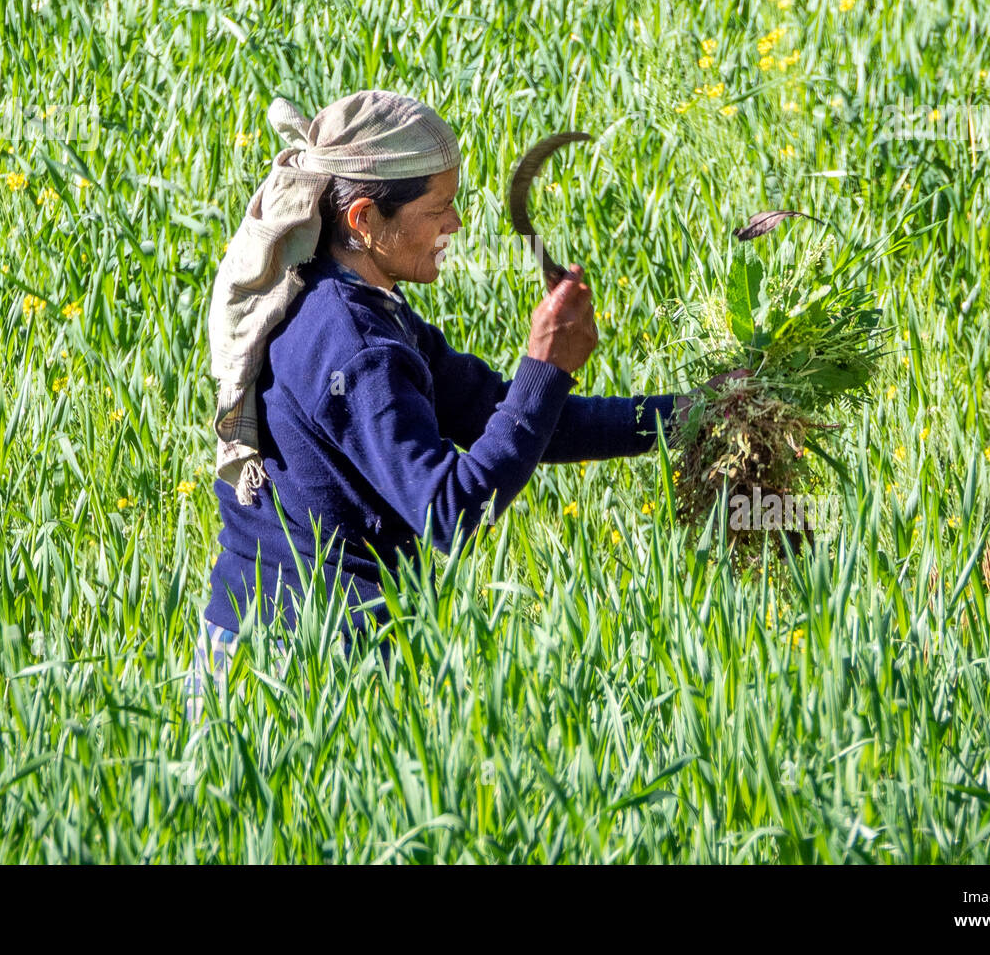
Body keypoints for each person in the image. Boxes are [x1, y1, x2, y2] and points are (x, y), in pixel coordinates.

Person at [187, 89, 696, 721]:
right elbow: (449, 512)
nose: (454, 225)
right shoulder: (357, 348)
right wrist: (545, 366)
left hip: (269, 640)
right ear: (366, 219)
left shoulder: (351, 303)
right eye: (440, 208)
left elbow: (506, 416)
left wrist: (691, 415)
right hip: (298, 669)